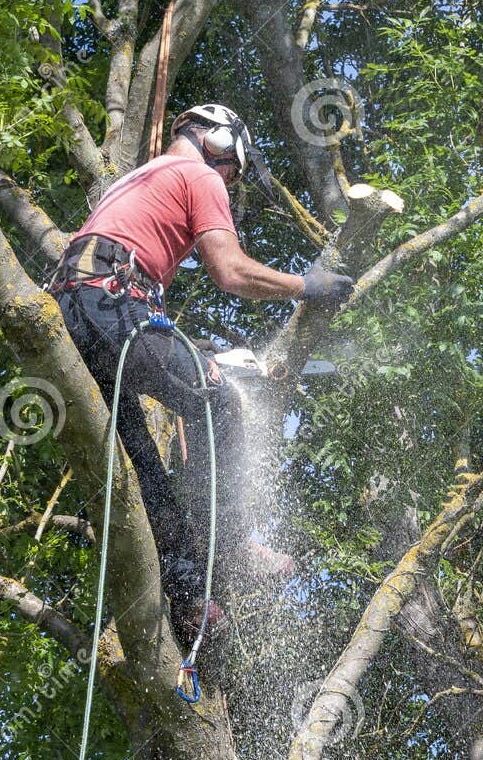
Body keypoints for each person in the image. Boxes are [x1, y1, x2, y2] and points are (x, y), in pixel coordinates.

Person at [46, 104, 355, 647]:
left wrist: (186, 342)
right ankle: (232, 546)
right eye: (234, 170)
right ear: (218, 142)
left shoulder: (133, 182)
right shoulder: (198, 176)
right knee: (219, 403)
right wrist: (309, 286)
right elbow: (229, 271)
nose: (230, 183)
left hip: (78, 313)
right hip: (115, 302)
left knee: (140, 472)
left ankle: (188, 597)